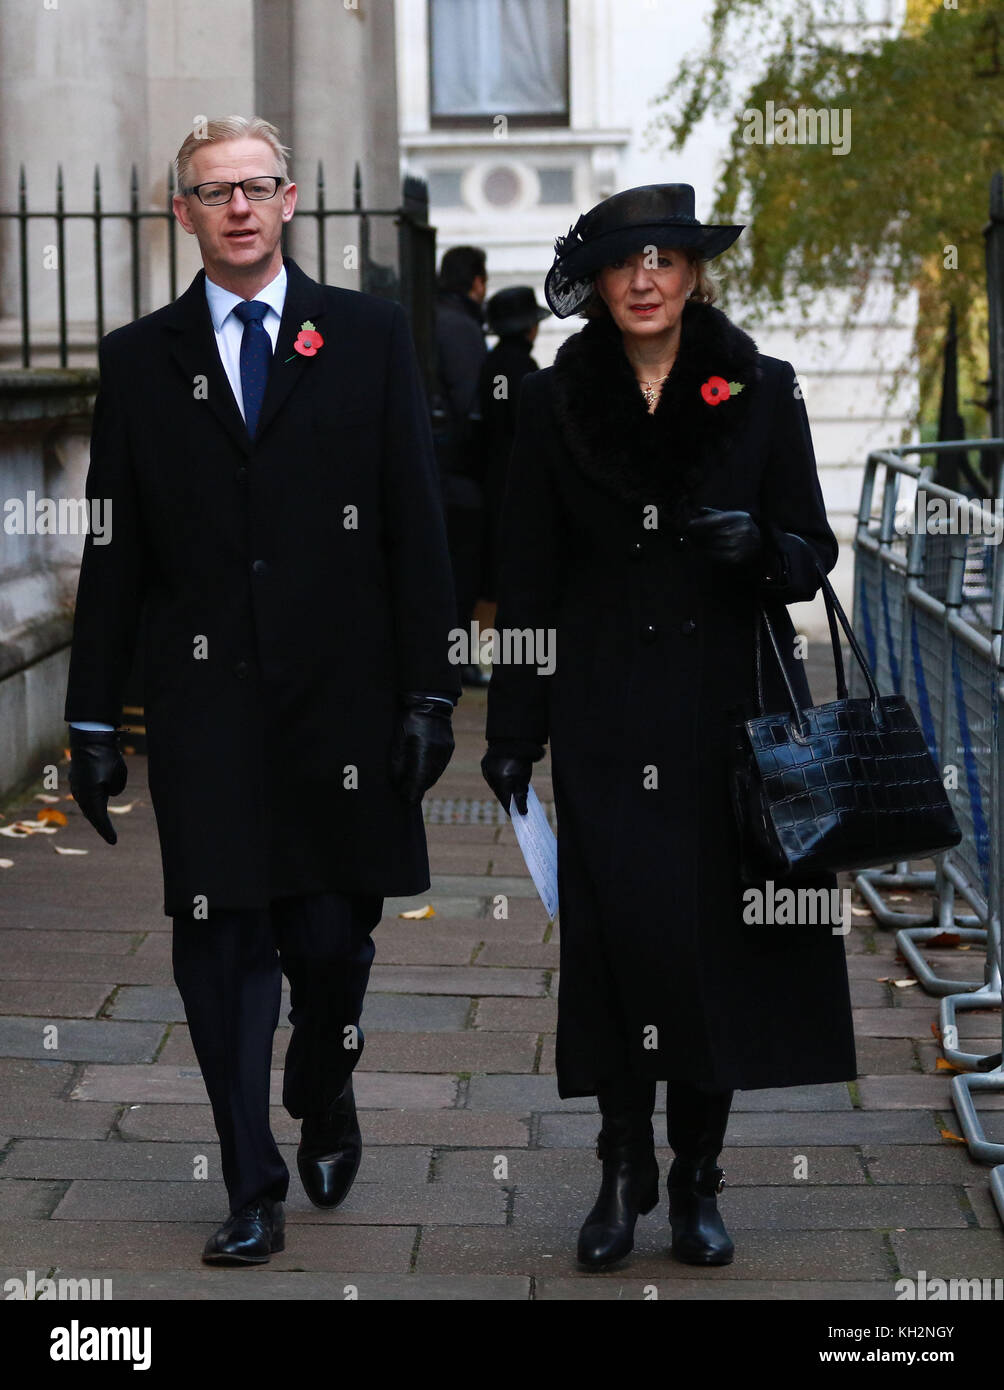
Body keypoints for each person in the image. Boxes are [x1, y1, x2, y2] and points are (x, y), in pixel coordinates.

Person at [64, 116, 460, 1266]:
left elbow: (414, 527)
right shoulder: (141, 360)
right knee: (219, 946)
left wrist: (429, 694)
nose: (237, 207)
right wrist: (92, 720)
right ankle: (250, 1180)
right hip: (206, 720)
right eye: (211, 191)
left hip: (343, 707)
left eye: (257, 187)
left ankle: (325, 1084)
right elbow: (111, 551)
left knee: (333, 941)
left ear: (289, 202)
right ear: (180, 214)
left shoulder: (371, 335)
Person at [481, 184, 856, 1271]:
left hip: (725, 712)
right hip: (603, 711)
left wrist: (763, 551)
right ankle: (615, 1167)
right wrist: (514, 726)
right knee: (613, 948)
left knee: (710, 952)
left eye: (665, 258)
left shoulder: (757, 387)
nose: (645, 277)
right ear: (597, 281)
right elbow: (526, 574)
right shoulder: (555, 404)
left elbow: (812, 547)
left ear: (693, 273)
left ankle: (694, 1177)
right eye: (623, 260)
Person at [432, 245, 490, 684]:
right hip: (457, 474)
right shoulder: (462, 327)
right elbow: (474, 406)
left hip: (436, 469)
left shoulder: (429, 314)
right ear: (477, 282)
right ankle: (453, 658)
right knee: (462, 570)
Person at [477, 286, 551, 606]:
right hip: (515, 468)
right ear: (528, 327)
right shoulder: (523, 365)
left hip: (493, 466)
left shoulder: (493, 361)